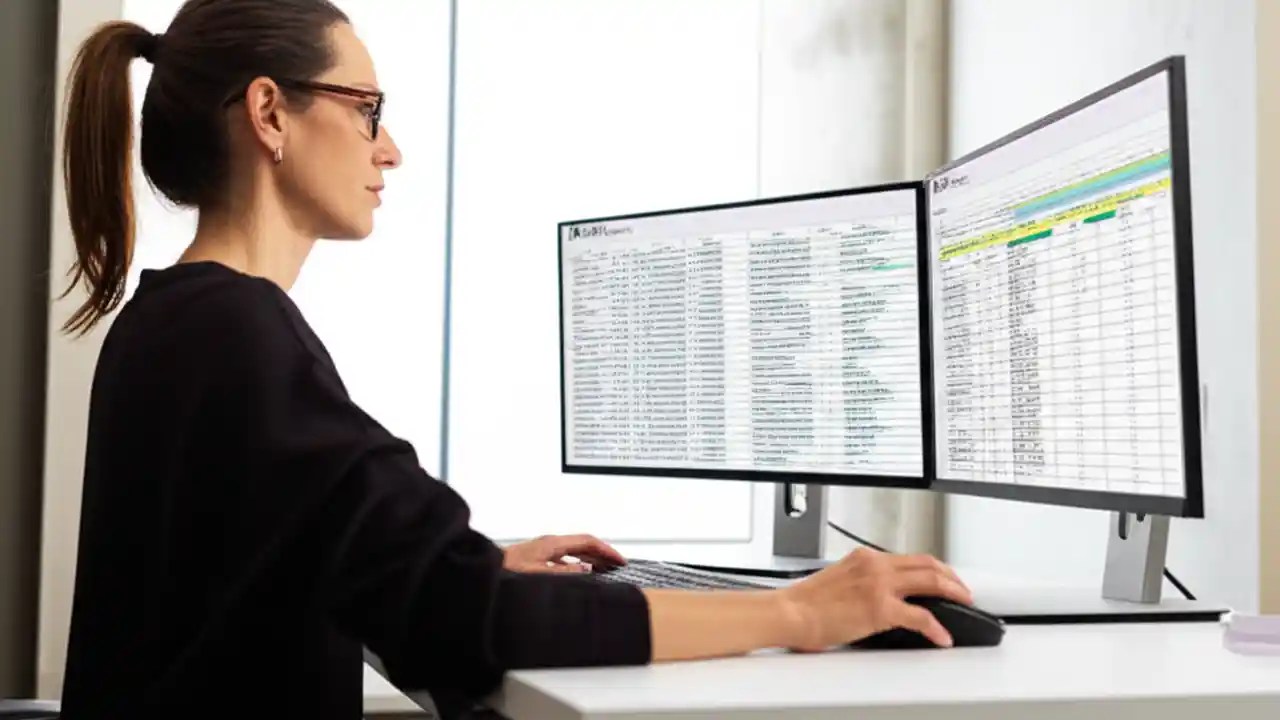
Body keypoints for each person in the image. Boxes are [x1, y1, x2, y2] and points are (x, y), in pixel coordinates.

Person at [54, 1, 974, 718]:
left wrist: (473, 561)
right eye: (367, 109)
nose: (391, 148)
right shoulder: (237, 337)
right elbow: (461, 625)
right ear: (269, 113)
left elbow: (286, 556)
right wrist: (800, 614)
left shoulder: (171, 321)